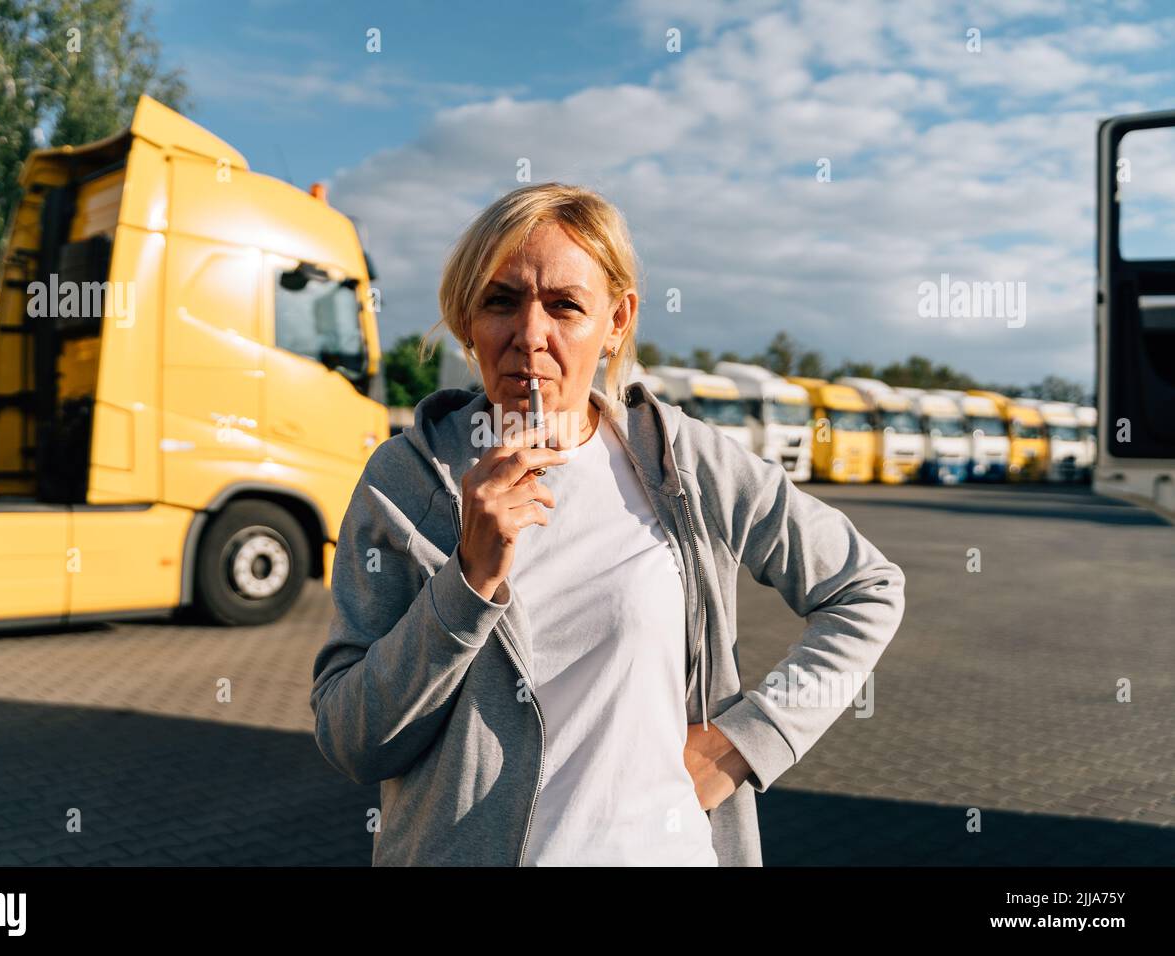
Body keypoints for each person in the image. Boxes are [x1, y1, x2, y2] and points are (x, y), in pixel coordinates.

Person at [310, 181, 906, 866]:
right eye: (500, 301)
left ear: (617, 320)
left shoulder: (686, 465)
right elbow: (353, 740)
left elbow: (867, 589)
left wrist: (749, 740)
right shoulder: (407, 480)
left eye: (565, 306)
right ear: (468, 316)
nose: (529, 336)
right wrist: (468, 581)